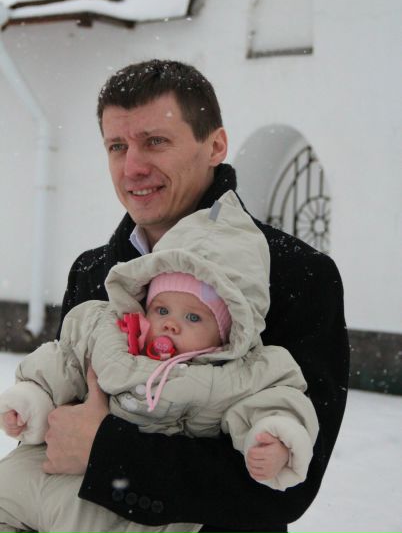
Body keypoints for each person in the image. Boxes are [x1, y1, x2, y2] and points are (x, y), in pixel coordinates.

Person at [3, 60, 349, 533]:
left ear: (216, 146)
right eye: (117, 146)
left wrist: (107, 452)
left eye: (155, 142)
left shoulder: (297, 274)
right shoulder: (93, 272)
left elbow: (283, 489)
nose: (132, 167)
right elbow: (57, 435)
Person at [0, 190, 319, 533]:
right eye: (162, 309)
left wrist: (273, 440)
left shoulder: (239, 374)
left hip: (129, 502)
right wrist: (32, 399)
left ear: (228, 332)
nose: (170, 324)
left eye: (193, 317)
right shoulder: (110, 331)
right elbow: (64, 361)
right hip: (53, 471)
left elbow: (275, 403)